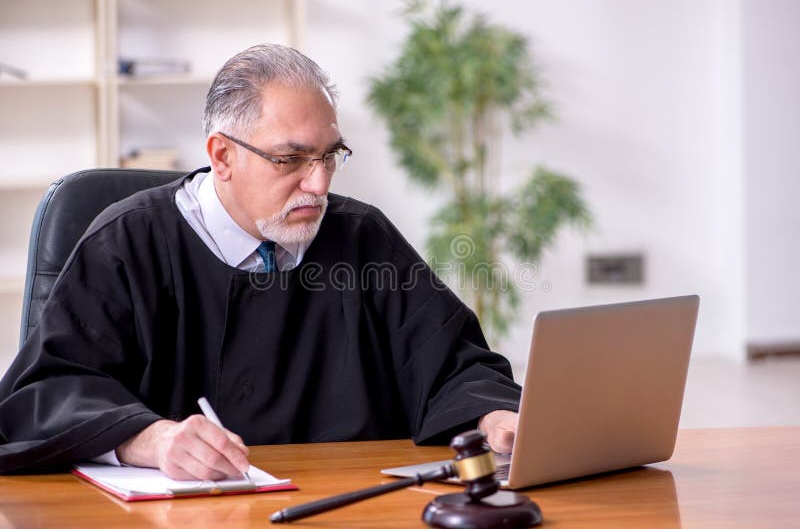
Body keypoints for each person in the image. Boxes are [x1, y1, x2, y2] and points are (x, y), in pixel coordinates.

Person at [0, 44, 520, 479]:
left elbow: (451, 362)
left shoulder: (362, 236)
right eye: (289, 159)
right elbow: (47, 391)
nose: (318, 184)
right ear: (222, 156)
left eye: (329, 156)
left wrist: (495, 414)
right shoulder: (127, 240)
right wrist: (151, 439)